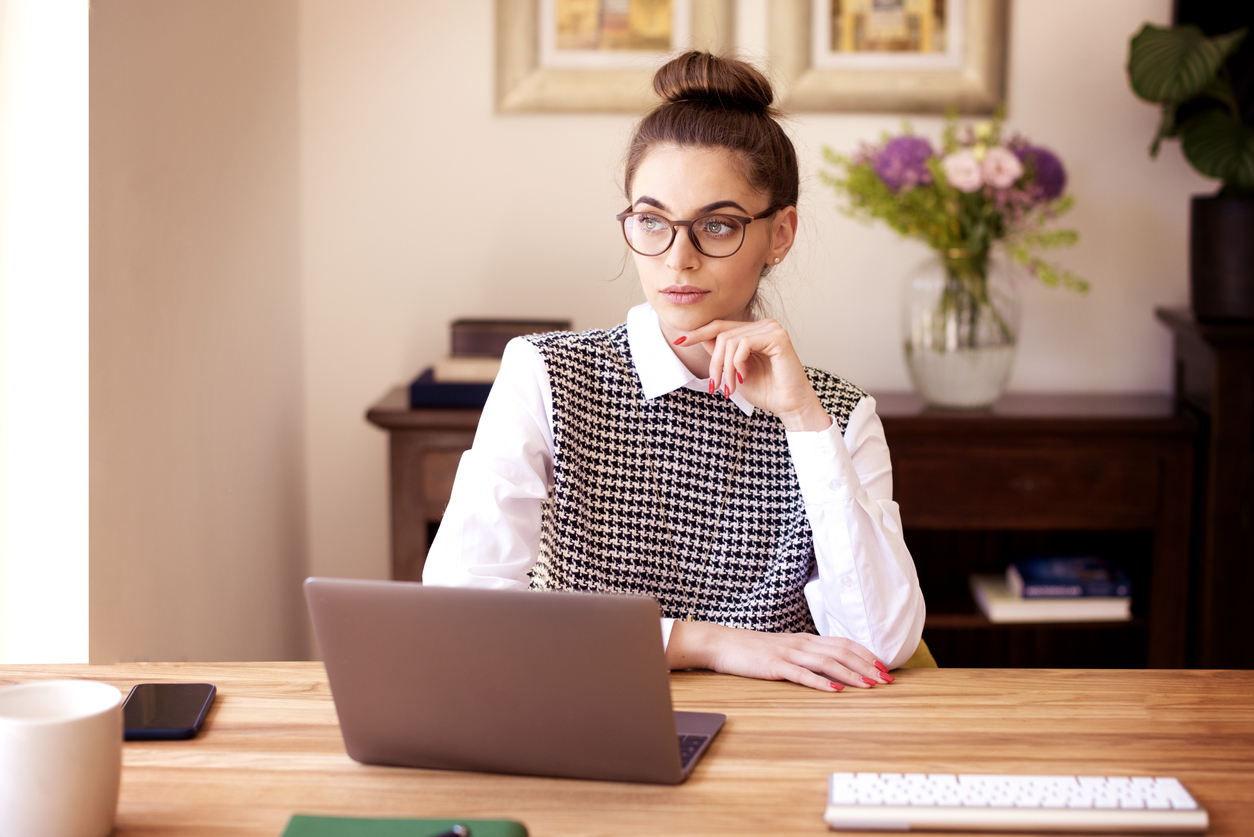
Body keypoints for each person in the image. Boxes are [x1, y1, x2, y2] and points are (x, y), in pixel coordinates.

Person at [423, 51, 925, 692]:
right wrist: (706, 644)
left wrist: (804, 423)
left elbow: (880, 643)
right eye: (652, 221)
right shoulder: (545, 375)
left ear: (781, 234)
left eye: (717, 225)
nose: (678, 259)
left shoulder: (837, 415)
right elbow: (460, 611)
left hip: (774, 745)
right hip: (582, 724)